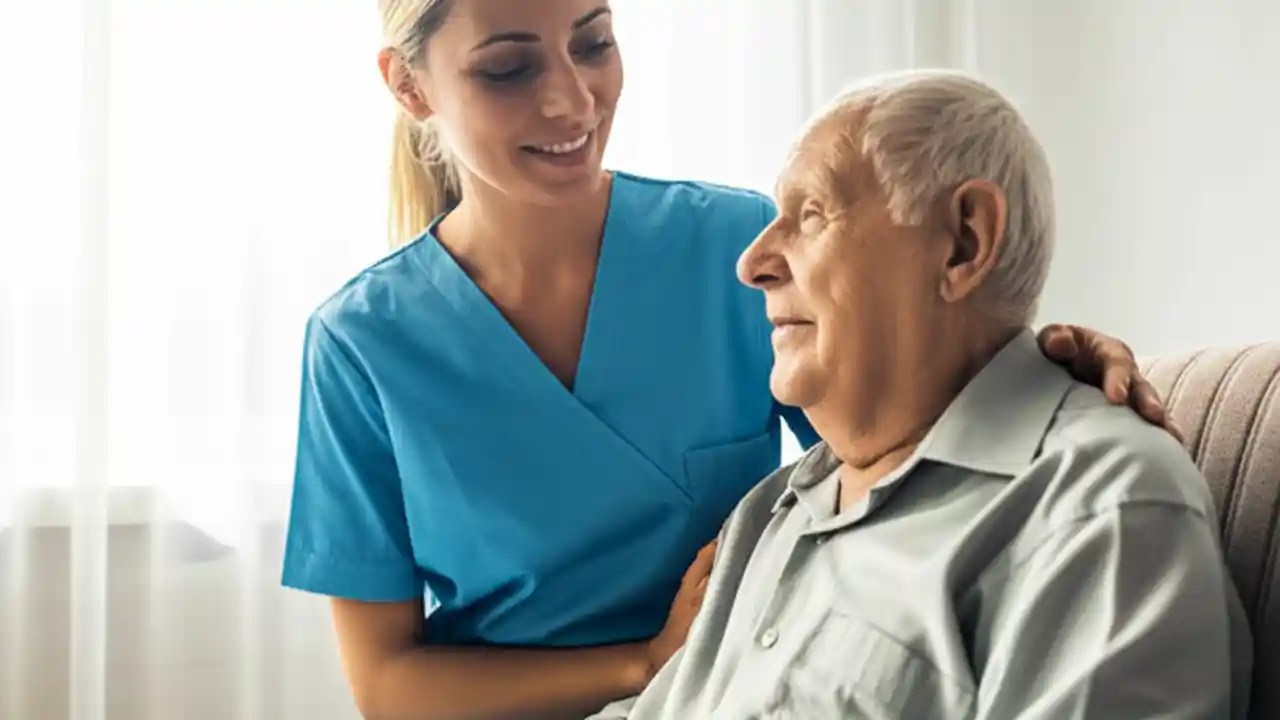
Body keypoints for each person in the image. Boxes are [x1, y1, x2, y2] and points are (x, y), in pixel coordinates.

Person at [280, 2, 1175, 718]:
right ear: (409, 85)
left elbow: (901, 427)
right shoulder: (363, 345)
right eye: (509, 68)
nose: (572, 102)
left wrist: (1033, 356)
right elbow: (387, 687)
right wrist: (646, 661)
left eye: (594, 43)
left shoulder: (734, 244)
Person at [588, 70, 1251, 720]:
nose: (752, 263)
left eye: (812, 213)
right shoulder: (775, 511)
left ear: (964, 243)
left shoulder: (1100, 505)